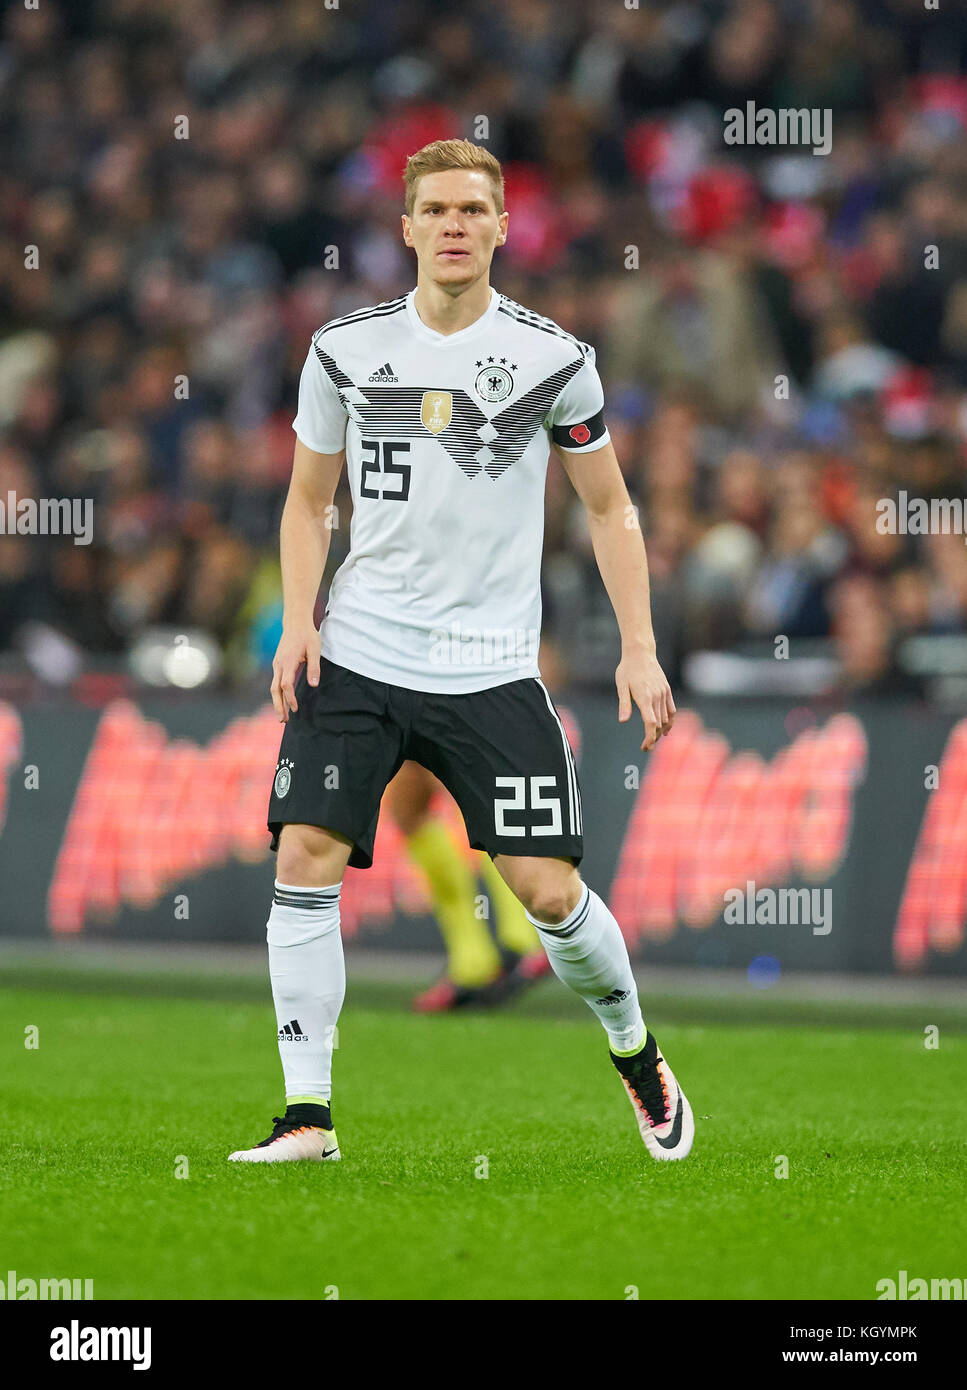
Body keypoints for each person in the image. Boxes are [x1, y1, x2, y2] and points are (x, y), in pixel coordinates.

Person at [228, 139, 692, 1167]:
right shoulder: (344, 349)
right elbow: (307, 502)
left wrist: (639, 647)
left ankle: (634, 1049)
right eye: (432, 209)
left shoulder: (553, 359)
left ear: (499, 228)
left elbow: (610, 507)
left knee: (548, 892)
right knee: (304, 857)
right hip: (357, 648)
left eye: (470, 211)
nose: (451, 225)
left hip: (488, 665)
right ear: (404, 228)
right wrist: (301, 617)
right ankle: (308, 1112)